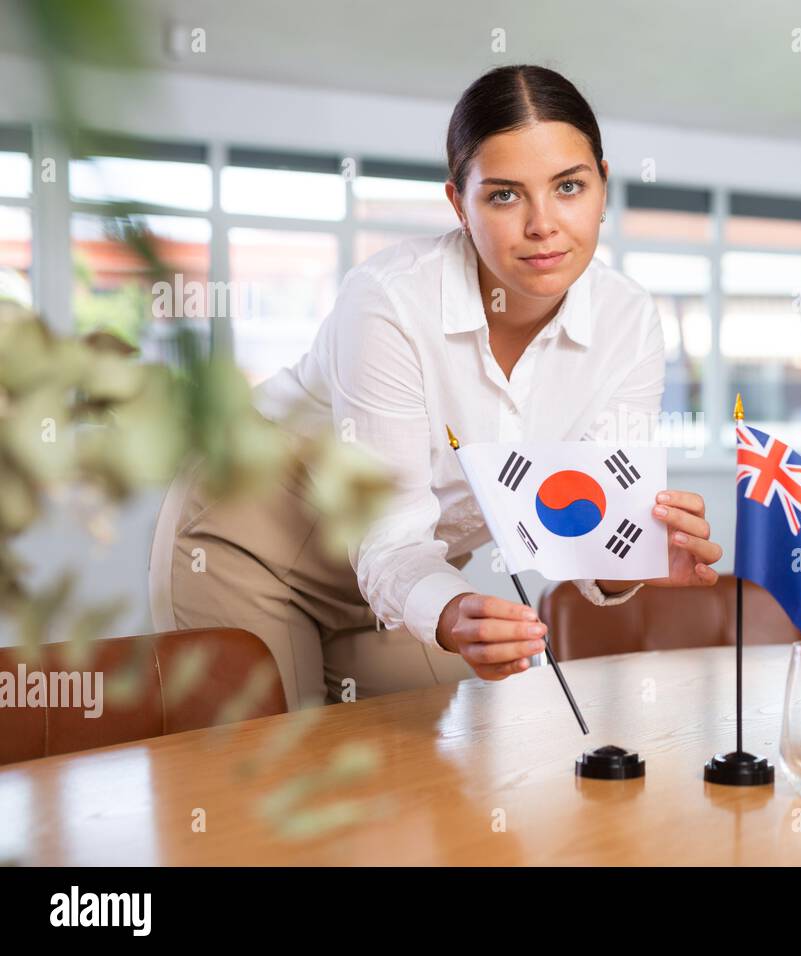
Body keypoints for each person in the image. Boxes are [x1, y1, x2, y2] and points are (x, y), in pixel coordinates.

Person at [148, 64, 724, 709]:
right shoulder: (389, 300)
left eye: (569, 186)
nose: (543, 224)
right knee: (271, 777)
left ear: (603, 185)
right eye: (504, 195)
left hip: (408, 571)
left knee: (430, 779)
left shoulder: (629, 321)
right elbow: (388, 529)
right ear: (459, 203)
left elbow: (587, 518)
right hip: (250, 544)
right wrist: (448, 613)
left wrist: (632, 561)